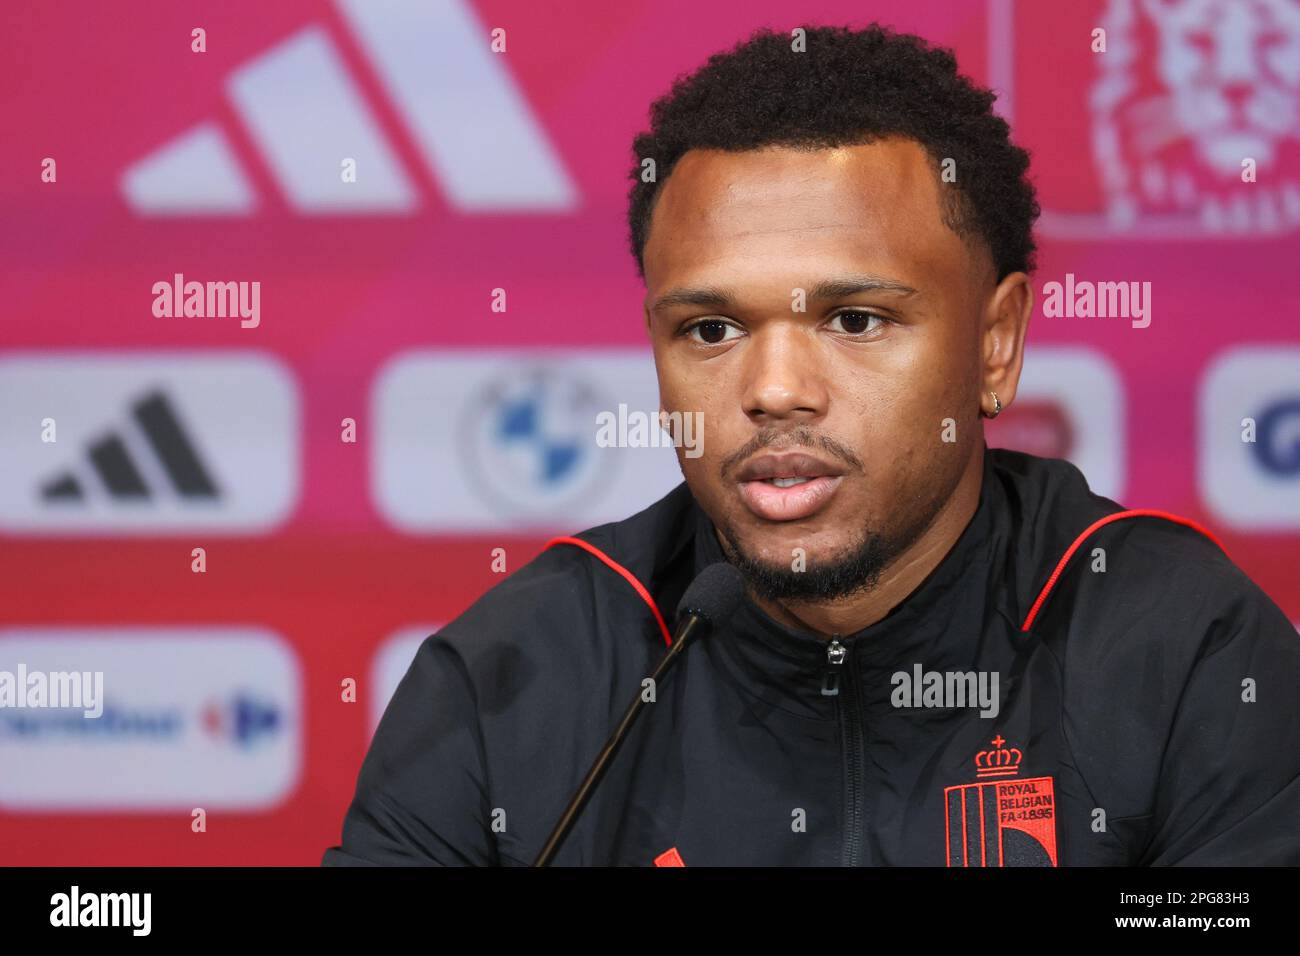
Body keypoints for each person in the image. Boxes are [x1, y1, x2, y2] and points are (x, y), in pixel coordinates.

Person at [322, 24, 1300, 866]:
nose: (773, 390)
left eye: (857, 320)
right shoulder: (518, 676)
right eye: (710, 330)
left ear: (994, 344)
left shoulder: (1182, 650)